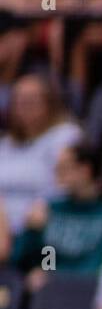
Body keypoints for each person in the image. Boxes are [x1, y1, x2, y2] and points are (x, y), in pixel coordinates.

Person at [11, 140, 102, 287]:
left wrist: (61, 276)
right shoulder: (50, 210)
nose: (57, 174)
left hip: (90, 288)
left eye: (63, 168)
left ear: (85, 170)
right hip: (51, 290)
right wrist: (32, 232)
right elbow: (23, 259)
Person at [0, 73, 82, 235]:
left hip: (45, 224)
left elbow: (68, 184)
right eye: (19, 101)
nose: (24, 107)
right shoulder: (5, 144)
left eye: (31, 101)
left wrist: (46, 208)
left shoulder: (66, 136)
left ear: (49, 103)